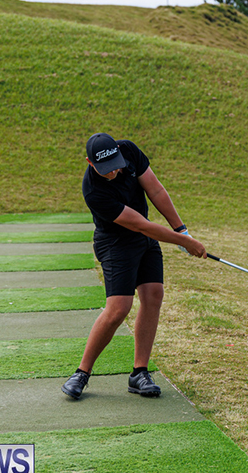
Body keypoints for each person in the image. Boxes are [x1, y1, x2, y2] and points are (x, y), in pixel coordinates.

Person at [62, 132, 207, 400]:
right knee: (119, 308)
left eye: (115, 164)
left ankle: (139, 373)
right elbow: (140, 224)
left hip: (145, 239)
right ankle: (82, 372)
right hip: (116, 243)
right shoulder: (93, 191)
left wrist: (182, 230)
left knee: (153, 295)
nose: (114, 171)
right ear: (89, 162)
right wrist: (186, 243)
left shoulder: (128, 151)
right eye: (105, 169)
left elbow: (156, 189)